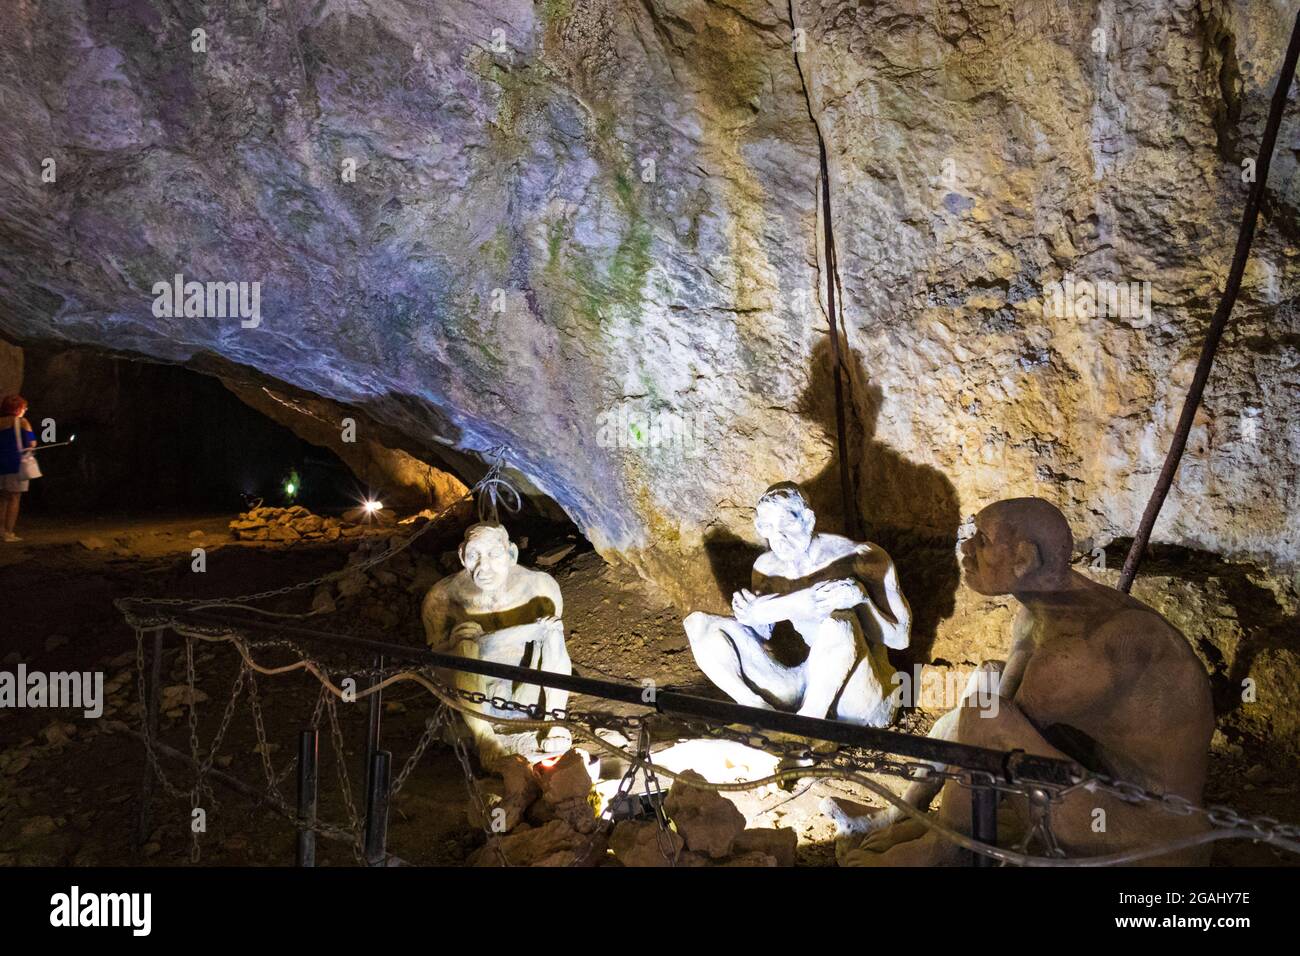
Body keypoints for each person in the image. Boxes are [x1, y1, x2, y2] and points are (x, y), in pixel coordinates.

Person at [833, 497, 1214, 865]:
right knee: (988, 683)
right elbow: (995, 712)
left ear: (1024, 558)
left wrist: (941, 831)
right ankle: (918, 819)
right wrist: (913, 810)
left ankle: (945, 849)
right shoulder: (1043, 616)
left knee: (987, 717)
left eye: (982, 540)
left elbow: (988, 738)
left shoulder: (1077, 653)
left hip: (1149, 840)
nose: (965, 548)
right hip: (1110, 789)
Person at [683, 482, 911, 725]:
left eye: (787, 523)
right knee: (698, 625)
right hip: (809, 680)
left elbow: (901, 639)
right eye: (768, 527)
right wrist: (749, 615)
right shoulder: (767, 567)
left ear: (808, 520)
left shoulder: (861, 558)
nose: (779, 537)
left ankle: (807, 727)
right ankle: (757, 709)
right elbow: (761, 635)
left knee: (840, 622)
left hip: (861, 696)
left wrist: (863, 600)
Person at [421, 522, 573, 763]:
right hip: (478, 692)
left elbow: (555, 644)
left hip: (526, 687)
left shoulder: (539, 587)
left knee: (553, 631)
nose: (485, 567)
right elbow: (436, 662)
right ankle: (485, 738)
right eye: (474, 555)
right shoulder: (443, 597)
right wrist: (462, 643)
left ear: (511, 553)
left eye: (494, 554)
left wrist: (541, 630)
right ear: (462, 556)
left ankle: (555, 721)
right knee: (465, 643)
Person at [0, 394, 36, 543]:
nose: (26, 410)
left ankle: (0, 531)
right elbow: (31, 443)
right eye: (24, 407)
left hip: (0, 464)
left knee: (2, 499)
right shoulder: (22, 422)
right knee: (14, 498)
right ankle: (8, 532)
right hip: (16, 465)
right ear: (19, 408)